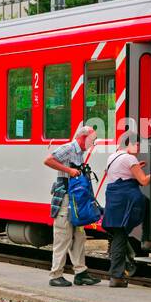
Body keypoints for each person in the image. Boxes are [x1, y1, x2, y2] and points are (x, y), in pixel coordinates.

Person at [43, 123, 100, 288]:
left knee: (79, 236)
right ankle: (56, 275)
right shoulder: (68, 148)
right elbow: (48, 160)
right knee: (63, 236)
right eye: (92, 140)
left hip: (75, 199)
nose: (92, 144)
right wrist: (69, 171)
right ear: (82, 137)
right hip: (65, 198)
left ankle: (81, 273)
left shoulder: (80, 152)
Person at [99, 137, 149, 287]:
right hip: (125, 201)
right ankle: (116, 277)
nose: (139, 148)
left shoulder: (112, 156)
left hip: (114, 201)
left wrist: (135, 167)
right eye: (138, 145)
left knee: (118, 237)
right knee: (120, 238)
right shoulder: (130, 158)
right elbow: (144, 181)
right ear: (130, 144)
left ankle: (116, 276)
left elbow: (117, 173)